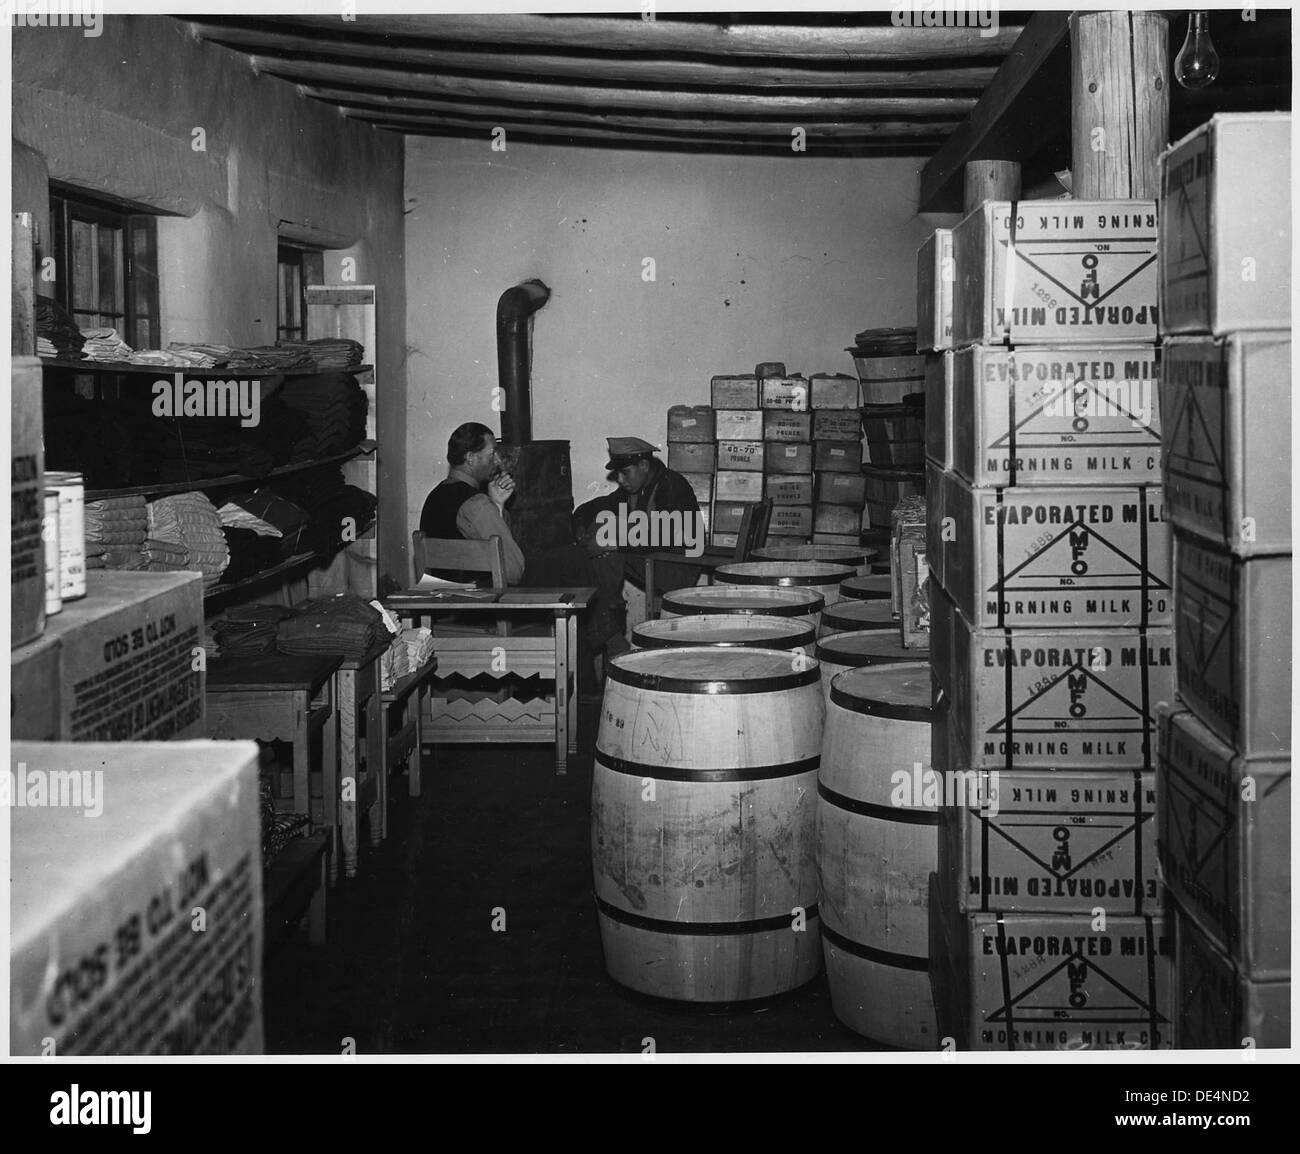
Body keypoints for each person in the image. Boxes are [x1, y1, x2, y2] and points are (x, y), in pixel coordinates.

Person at [575, 436, 704, 659]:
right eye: (618, 474)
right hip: (654, 560)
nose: (621, 480)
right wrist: (581, 530)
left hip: (679, 566)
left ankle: (611, 635)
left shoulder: (671, 485)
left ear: (644, 466)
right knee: (601, 527)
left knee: (606, 549)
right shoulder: (633, 490)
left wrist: (614, 544)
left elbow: (666, 536)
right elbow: (590, 509)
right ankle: (609, 629)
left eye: (625, 472)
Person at [418, 422, 525, 584]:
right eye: (492, 453)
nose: (496, 460)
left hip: (440, 599)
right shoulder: (477, 504)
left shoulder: (434, 495)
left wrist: (497, 505)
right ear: (470, 458)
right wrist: (493, 506)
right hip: (476, 604)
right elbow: (513, 571)